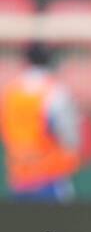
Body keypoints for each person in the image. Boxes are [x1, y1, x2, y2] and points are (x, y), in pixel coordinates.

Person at [1, 44, 82, 202]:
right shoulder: (55, 92)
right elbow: (70, 137)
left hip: (19, 178)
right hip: (49, 179)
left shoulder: (10, 93)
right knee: (53, 227)